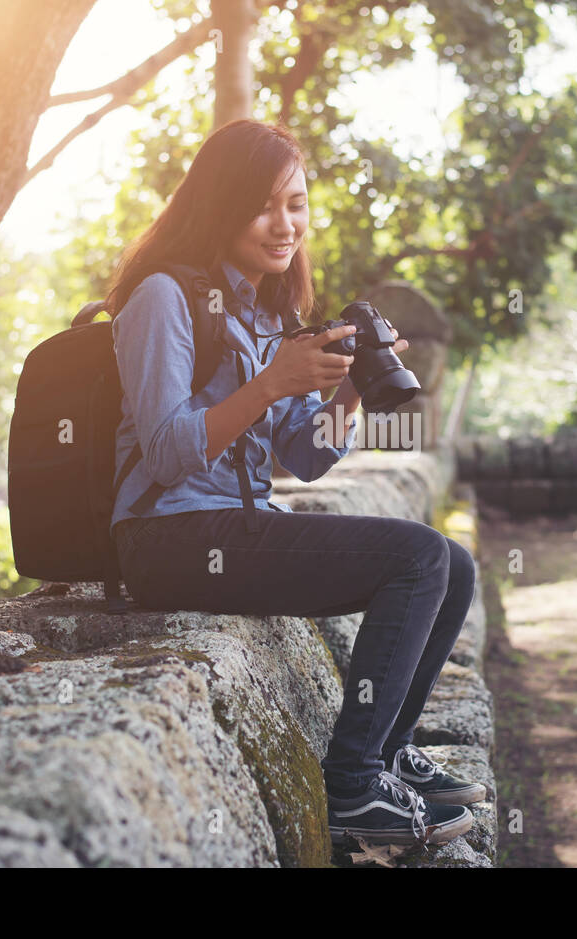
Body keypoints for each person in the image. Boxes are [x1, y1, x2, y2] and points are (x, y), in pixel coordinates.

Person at [105, 119, 483, 847]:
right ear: (219, 204)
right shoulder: (161, 296)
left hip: (234, 525)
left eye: (298, 204)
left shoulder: (263, 310)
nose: (287, 225)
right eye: (265, 205)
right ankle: (350, 786)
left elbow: (305, 459)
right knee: (418, 557)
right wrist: (272, 382)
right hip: (167, 536)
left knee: (453, 564)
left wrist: (348, 393)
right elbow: (164, 451)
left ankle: (385, 755)